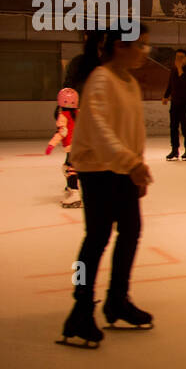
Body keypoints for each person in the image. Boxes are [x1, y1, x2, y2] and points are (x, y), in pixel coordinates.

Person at [60, 27, 154, 345]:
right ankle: (81, 309)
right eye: (140, 45)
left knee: (130, 230)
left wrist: (136, 166)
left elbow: (134, 130)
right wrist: (132, 164)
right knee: (97, 237)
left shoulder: (129, 81)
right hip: (98, 168)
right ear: (120, 46)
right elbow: (100, 129)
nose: (146, 50)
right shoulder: (101, 78)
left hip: (122, 169)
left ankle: (117, 300)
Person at [45, 87, 82, 207]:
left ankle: (75, 193)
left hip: (72, 147)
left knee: (70, 169)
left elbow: (62, 132)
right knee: (70, 167)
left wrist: (52, 144)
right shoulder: (79, 113)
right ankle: (72, 188)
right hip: (81, 145)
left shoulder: (63, 115)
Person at [162, 48, 186, 161]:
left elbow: (184, 82)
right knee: (173, 127)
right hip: (175, 102)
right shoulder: (173, 69)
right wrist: (166, 96)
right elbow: (171, 83)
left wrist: (180, 68)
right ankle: (174, 149)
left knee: (185, 126)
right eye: (177, 57)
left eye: (181, 57)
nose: (178, 60)